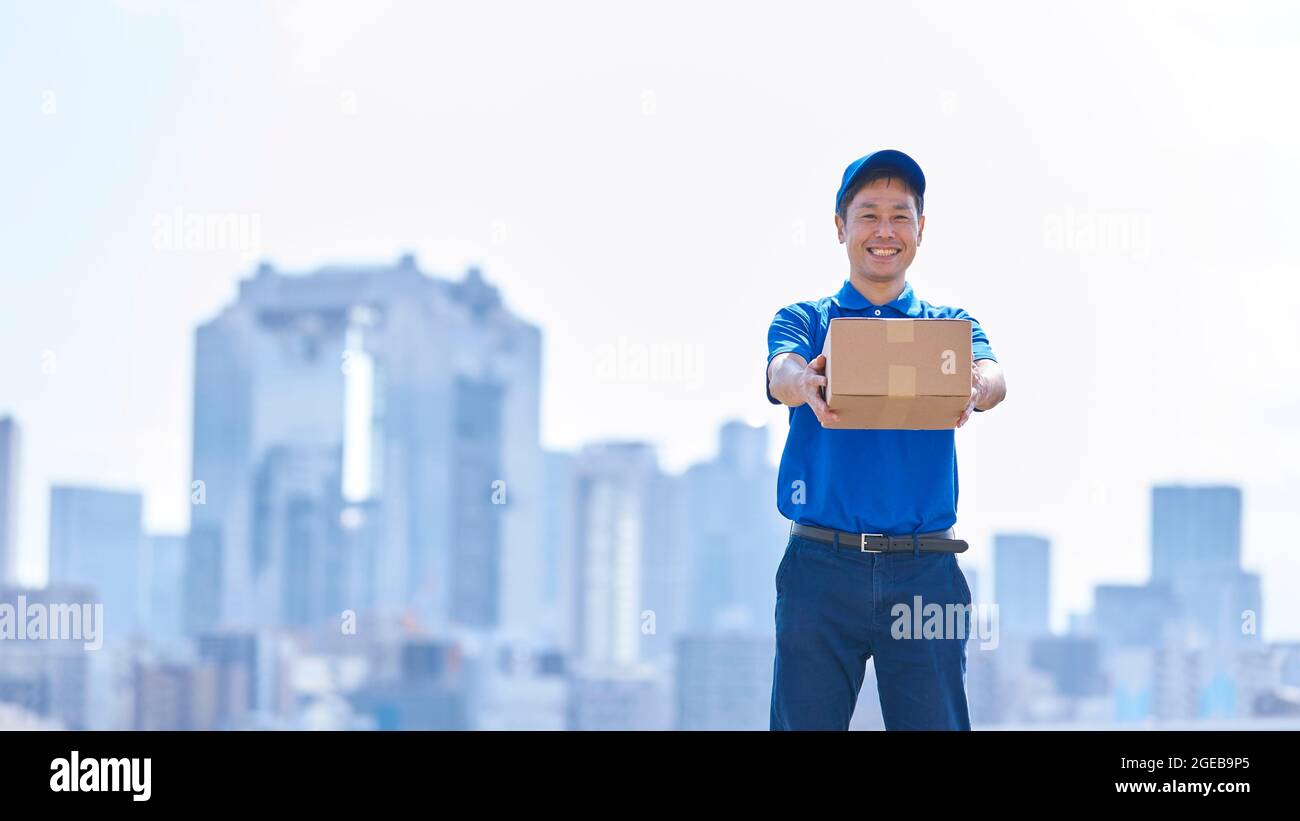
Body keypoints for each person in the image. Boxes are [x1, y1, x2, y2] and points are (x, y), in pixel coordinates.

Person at [765, 149, 1007, 730]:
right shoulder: (806, 319)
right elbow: (781, 371)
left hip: (925, 571)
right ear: (840, 227)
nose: (884, 231)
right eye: (868, 214)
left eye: (900, 216)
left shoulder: (949, 327)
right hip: (821, 567)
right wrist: (807, 380)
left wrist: (974, 387)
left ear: (920, 230)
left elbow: (994, 377)